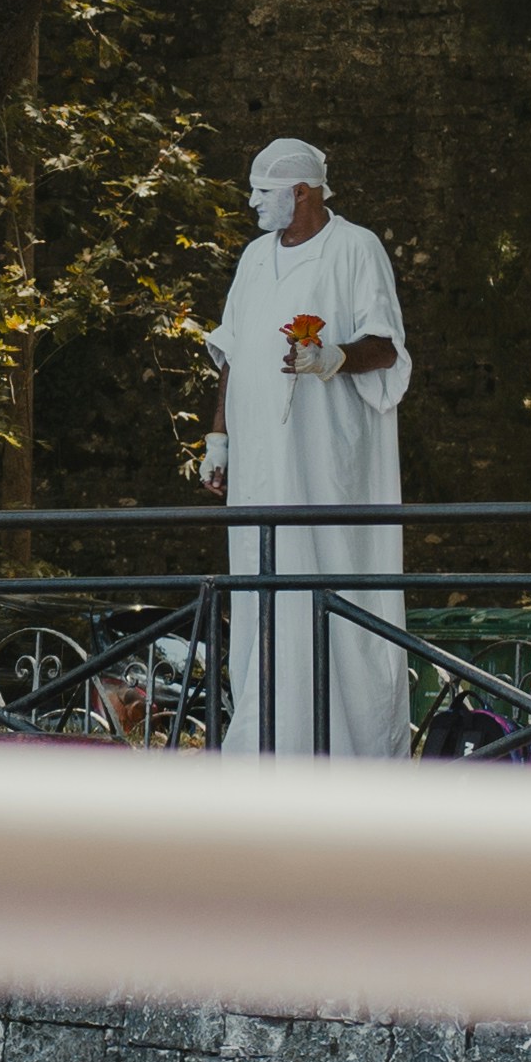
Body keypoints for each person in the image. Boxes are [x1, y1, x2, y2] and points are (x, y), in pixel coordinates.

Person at [197, 137, 412, 757]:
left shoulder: (355, 247)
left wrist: (335, 357)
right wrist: (219, 438)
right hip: (261, 462)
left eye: (264, 192)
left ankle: (349, 749)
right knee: (262, 581)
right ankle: (265, 745)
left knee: (331, 580)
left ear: (303, 193)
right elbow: (232, 351)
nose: (252, 202)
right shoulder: (253, 259)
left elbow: (386, 343)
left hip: (327, 461)